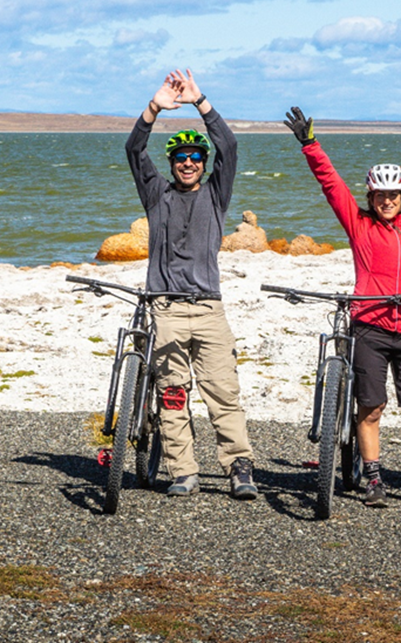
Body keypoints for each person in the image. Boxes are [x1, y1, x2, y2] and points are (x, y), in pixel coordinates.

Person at [284, 106, 401, 507]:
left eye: (393, 195)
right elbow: (331, 184)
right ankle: (373, 480)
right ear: (371, 197)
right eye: (379, 195)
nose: (386, 201)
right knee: (371, 409)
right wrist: (310, 144)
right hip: (370, 328)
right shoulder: (360, 225)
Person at [125, 69, 257, 500]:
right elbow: (133, 148)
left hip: (208, 309)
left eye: (195, 157)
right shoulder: (156, 194)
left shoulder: (216, 195)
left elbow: (230, 146)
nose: (188, 162)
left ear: (203, 163)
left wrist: (202, 103)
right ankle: (184, 471)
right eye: (181, 158)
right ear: (172, 164)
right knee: (173, 394)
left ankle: (239, 467)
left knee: (223, 392)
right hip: (165, 308)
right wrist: (153, 108)